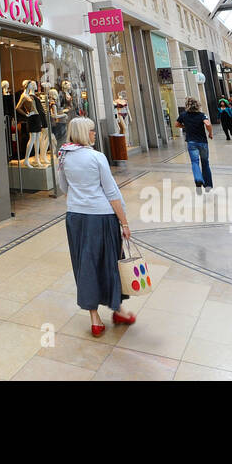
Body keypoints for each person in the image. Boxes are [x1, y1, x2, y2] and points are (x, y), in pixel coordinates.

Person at [55, 117, 135, 336]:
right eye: (91, 130)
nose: (94, 134)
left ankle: (95, 318)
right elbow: (112, 193)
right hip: (101, 217)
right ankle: (117, 308)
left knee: (85, 264)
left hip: (76, 217)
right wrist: (124, 222)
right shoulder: (96, 157)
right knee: (110, 263)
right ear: (82, 133)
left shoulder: (63, 157)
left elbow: (63, 187)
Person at [175, 98, 214, 192]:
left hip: (191, 142)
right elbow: (207, 124)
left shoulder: (183, 115)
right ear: (198, 105)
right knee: (205, 163)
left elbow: (176, 124)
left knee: (194, 162)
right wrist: (210, 133)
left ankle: (198, 178)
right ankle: (208, 185)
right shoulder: (202, 115)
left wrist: (185, 126)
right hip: (202, 142)